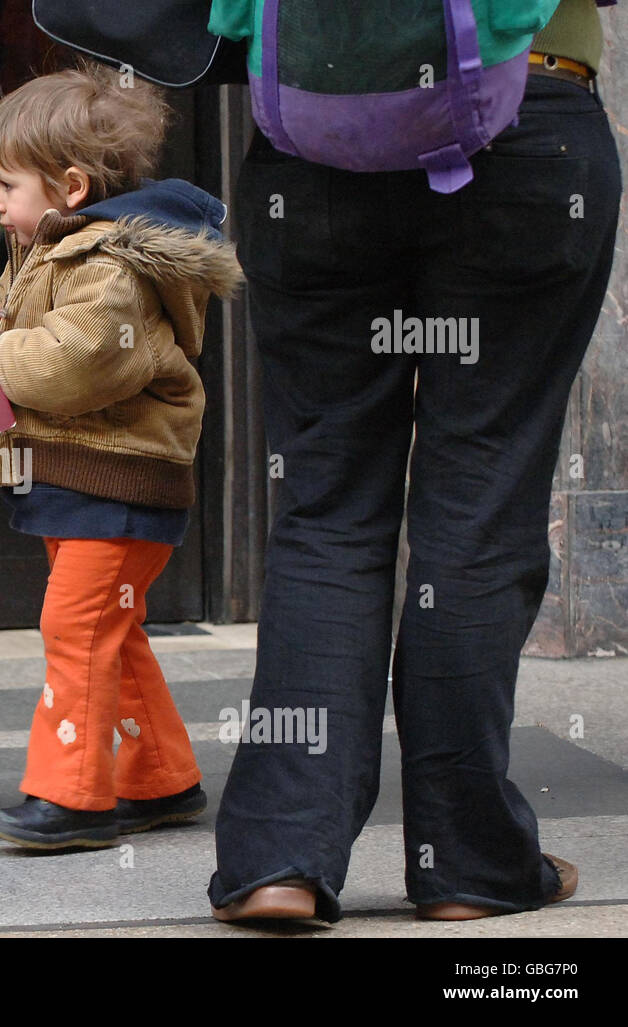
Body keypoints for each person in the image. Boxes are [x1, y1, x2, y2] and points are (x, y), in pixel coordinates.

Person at [207, 0, 621, 921]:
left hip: (319, 147)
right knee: (480, 503)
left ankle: (283, 854)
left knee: (324, 508)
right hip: (530, 126)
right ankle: (469, 865)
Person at [0, 66, 242, 849]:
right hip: (84, 477)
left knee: (75, 628)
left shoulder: (108, 265)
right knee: (113, 629)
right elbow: (50, 337)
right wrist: (5, 323)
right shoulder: (64, 246)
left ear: (72, 186)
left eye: (5, 185)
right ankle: (159, 777)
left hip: (117, 481)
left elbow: (78, 360)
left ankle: (72, 797)